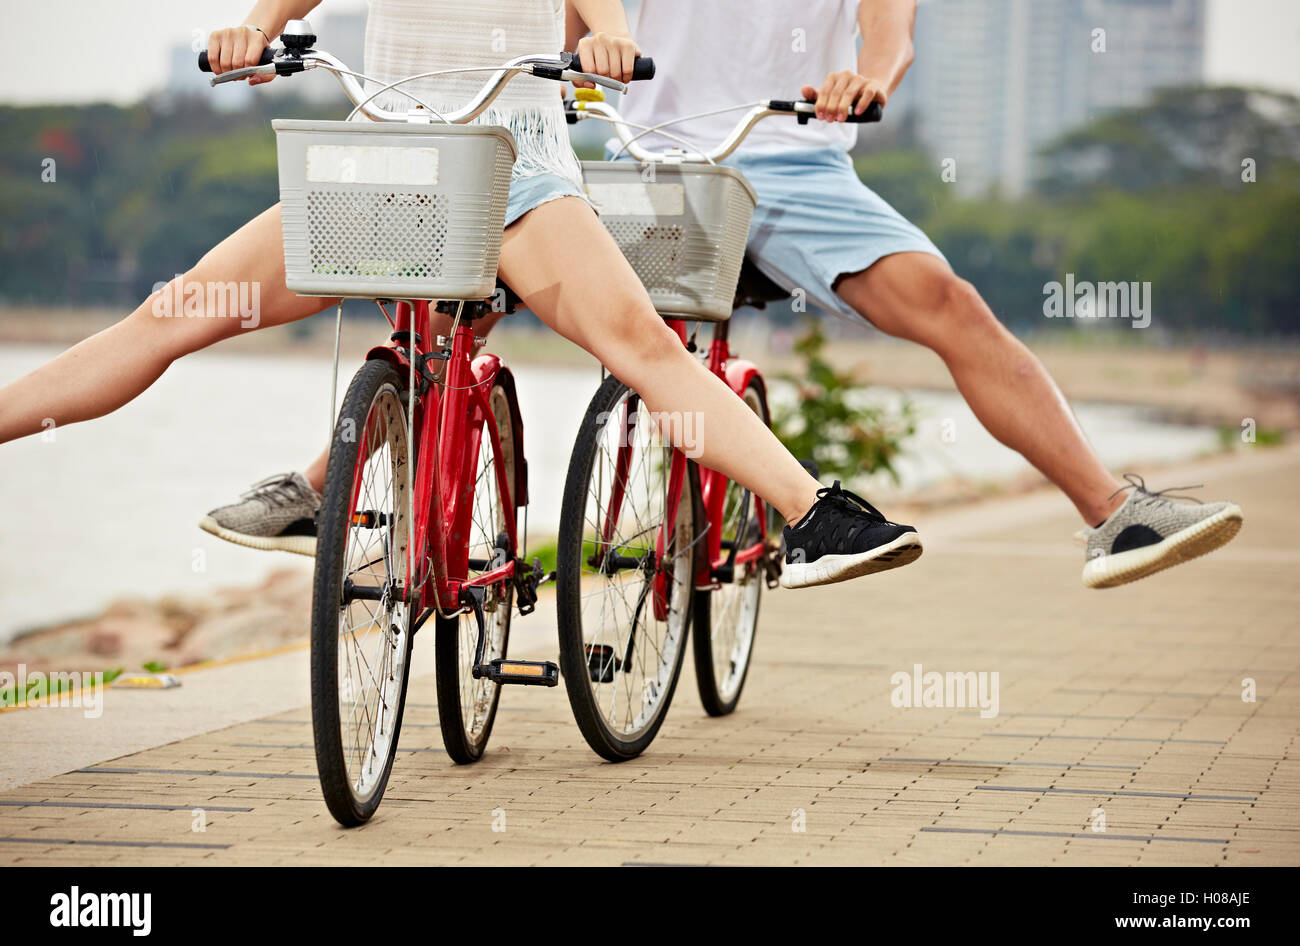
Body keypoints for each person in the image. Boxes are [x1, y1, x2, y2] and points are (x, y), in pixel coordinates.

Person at [0, 0, 923, 590]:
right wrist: (253, 27)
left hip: (513, 159)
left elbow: (604, 14)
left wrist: (612, 37)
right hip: (381, 153)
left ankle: (815, 517)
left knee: (640, 345)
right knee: (178, 311)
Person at [556, 0, 1240, 589]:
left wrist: (869, 77)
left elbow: (889, 28)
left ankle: (1115, 514)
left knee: (953, 303)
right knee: (573, 308)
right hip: (655, 155)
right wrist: (590, 45)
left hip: (800, 163)